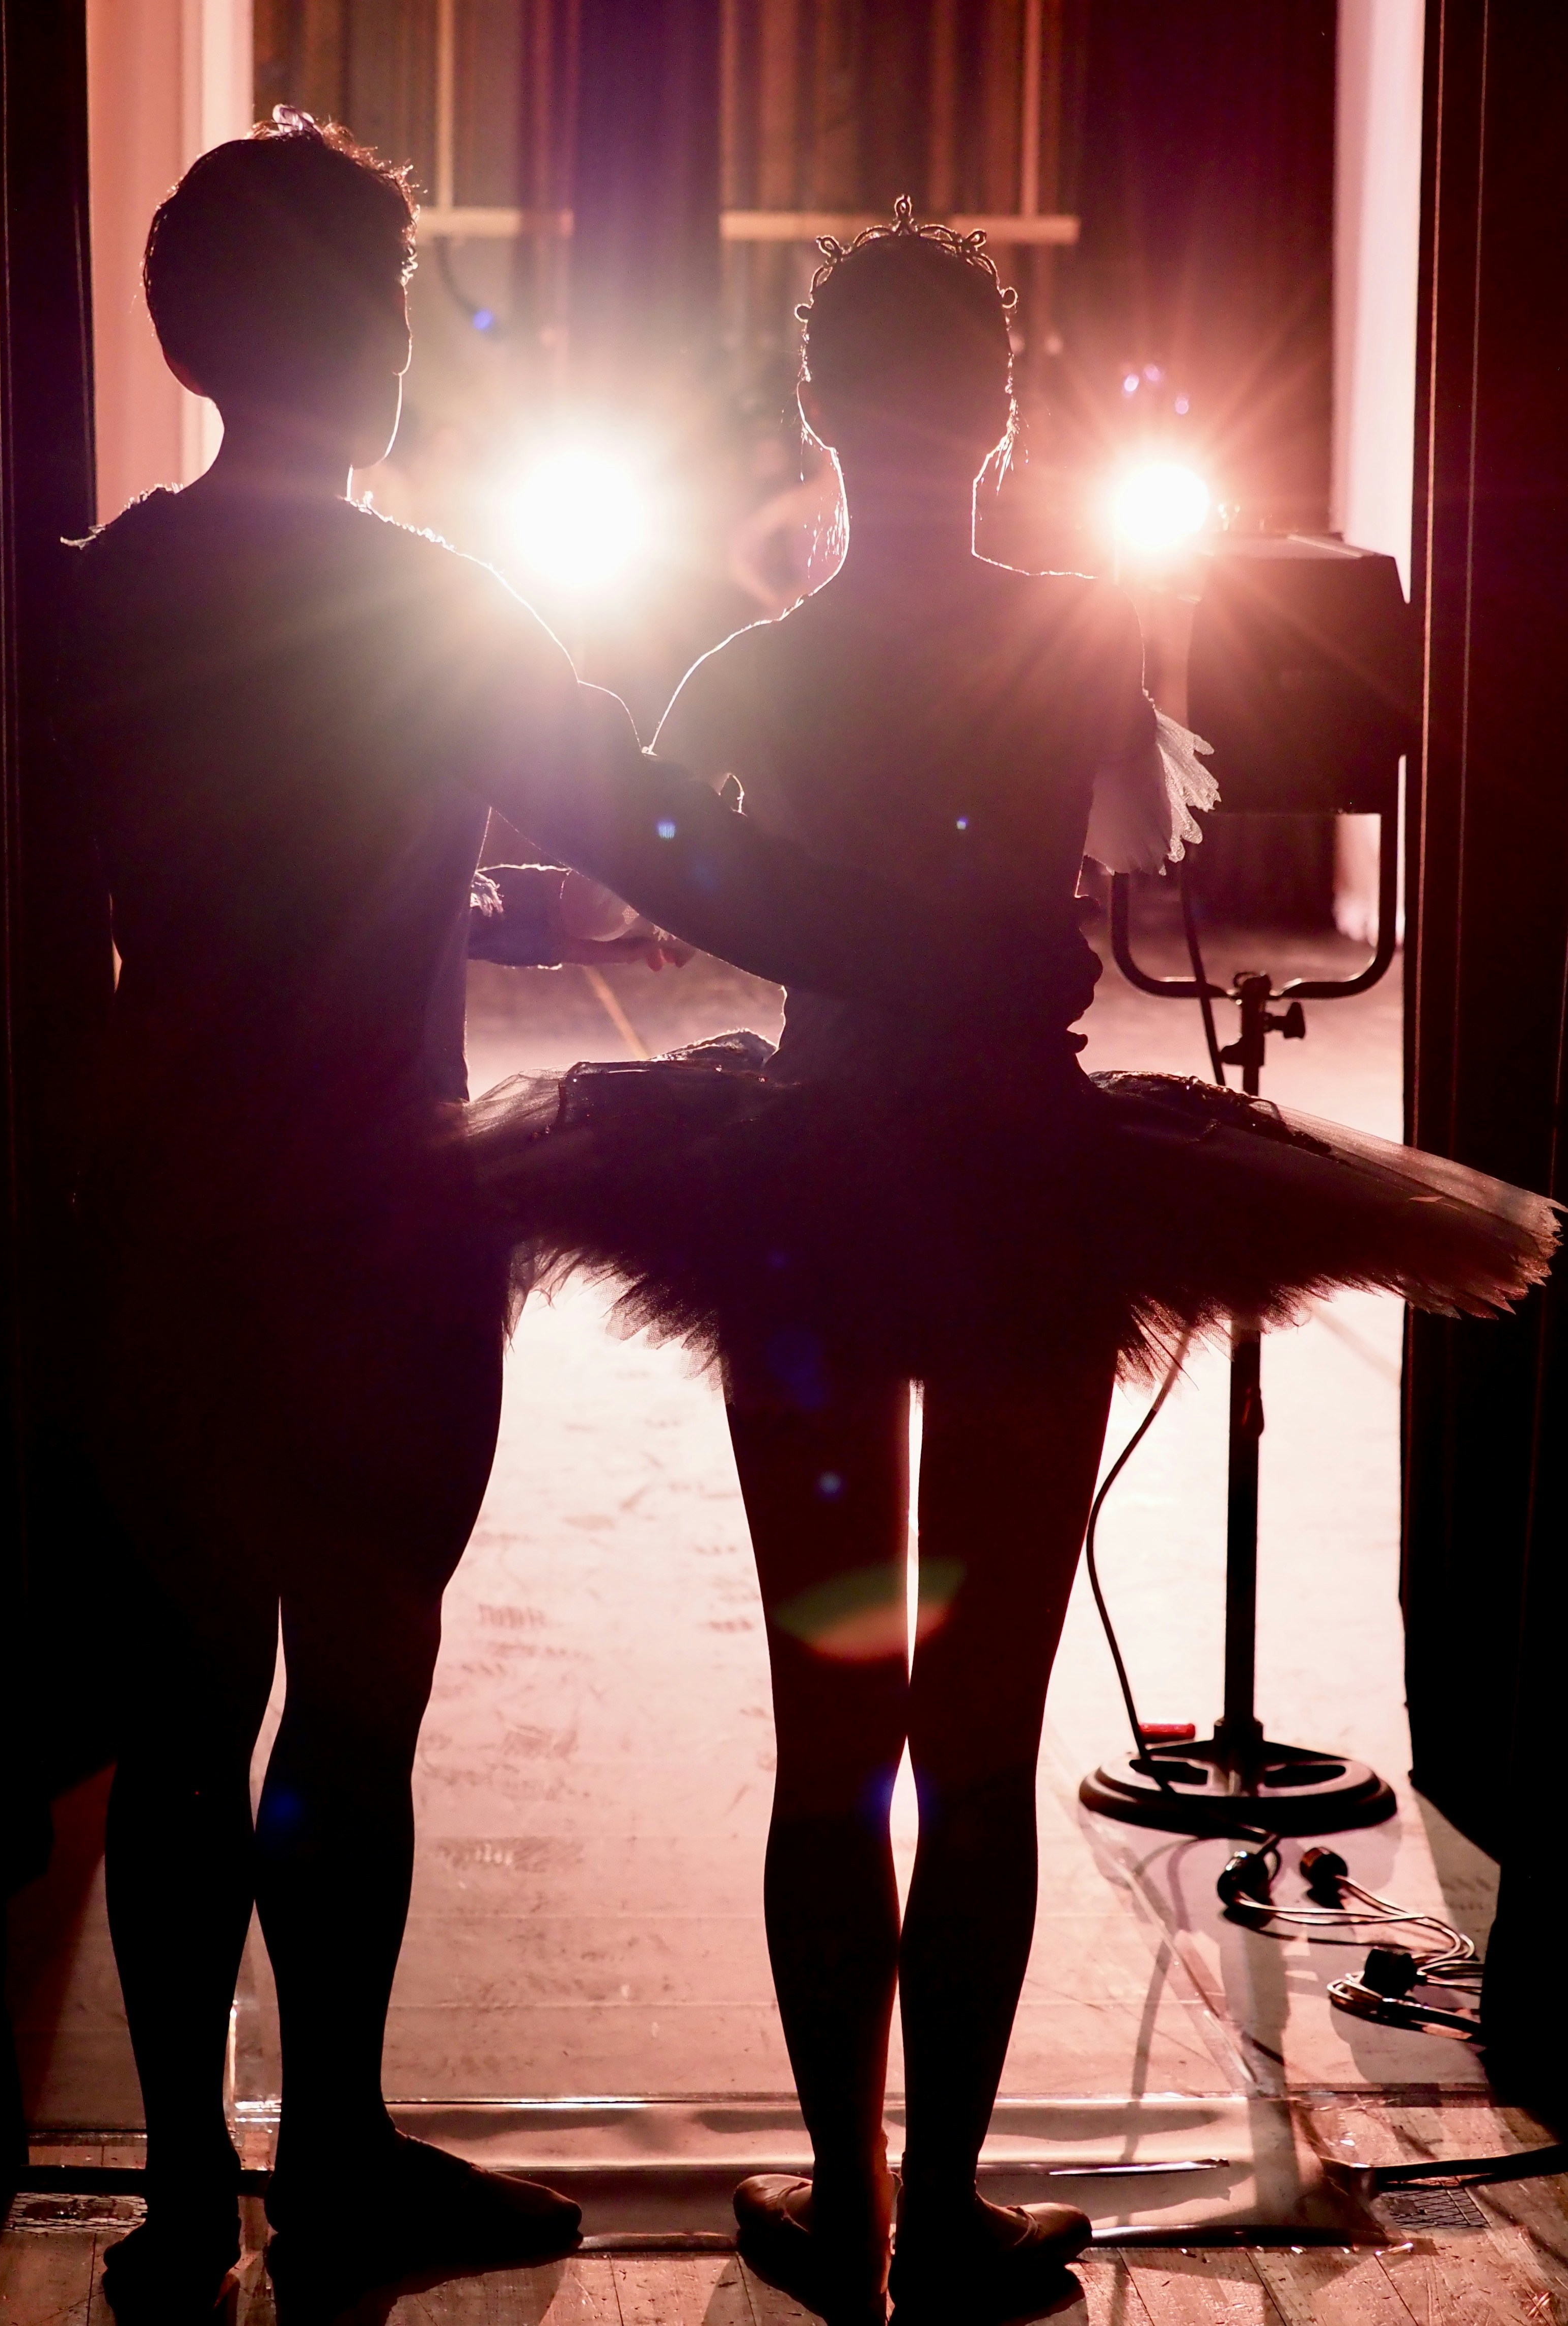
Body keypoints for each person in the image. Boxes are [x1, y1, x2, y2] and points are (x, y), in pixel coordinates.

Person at [465, 202, 1558, 2324]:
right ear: (993, 412)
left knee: (825, 1741)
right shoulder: (1077, 642)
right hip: (1026, 1182)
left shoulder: (751, 665)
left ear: (812, 406)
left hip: (795, 1185)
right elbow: (1109, 863)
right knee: (976, 1743)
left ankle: (846, 2198)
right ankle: (947, 2200)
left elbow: (679, 899)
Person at [56, 124, 1103, 2320]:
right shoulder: (427, 605)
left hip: (150, 1205)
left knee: (175, 1707)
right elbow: (684, 849)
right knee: (353, 1699)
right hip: (377, 1207)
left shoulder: (96, 594)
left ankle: (175, 2195)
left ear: (183, 335)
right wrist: (952, 956)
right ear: (376, 339)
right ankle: (328, 2151)